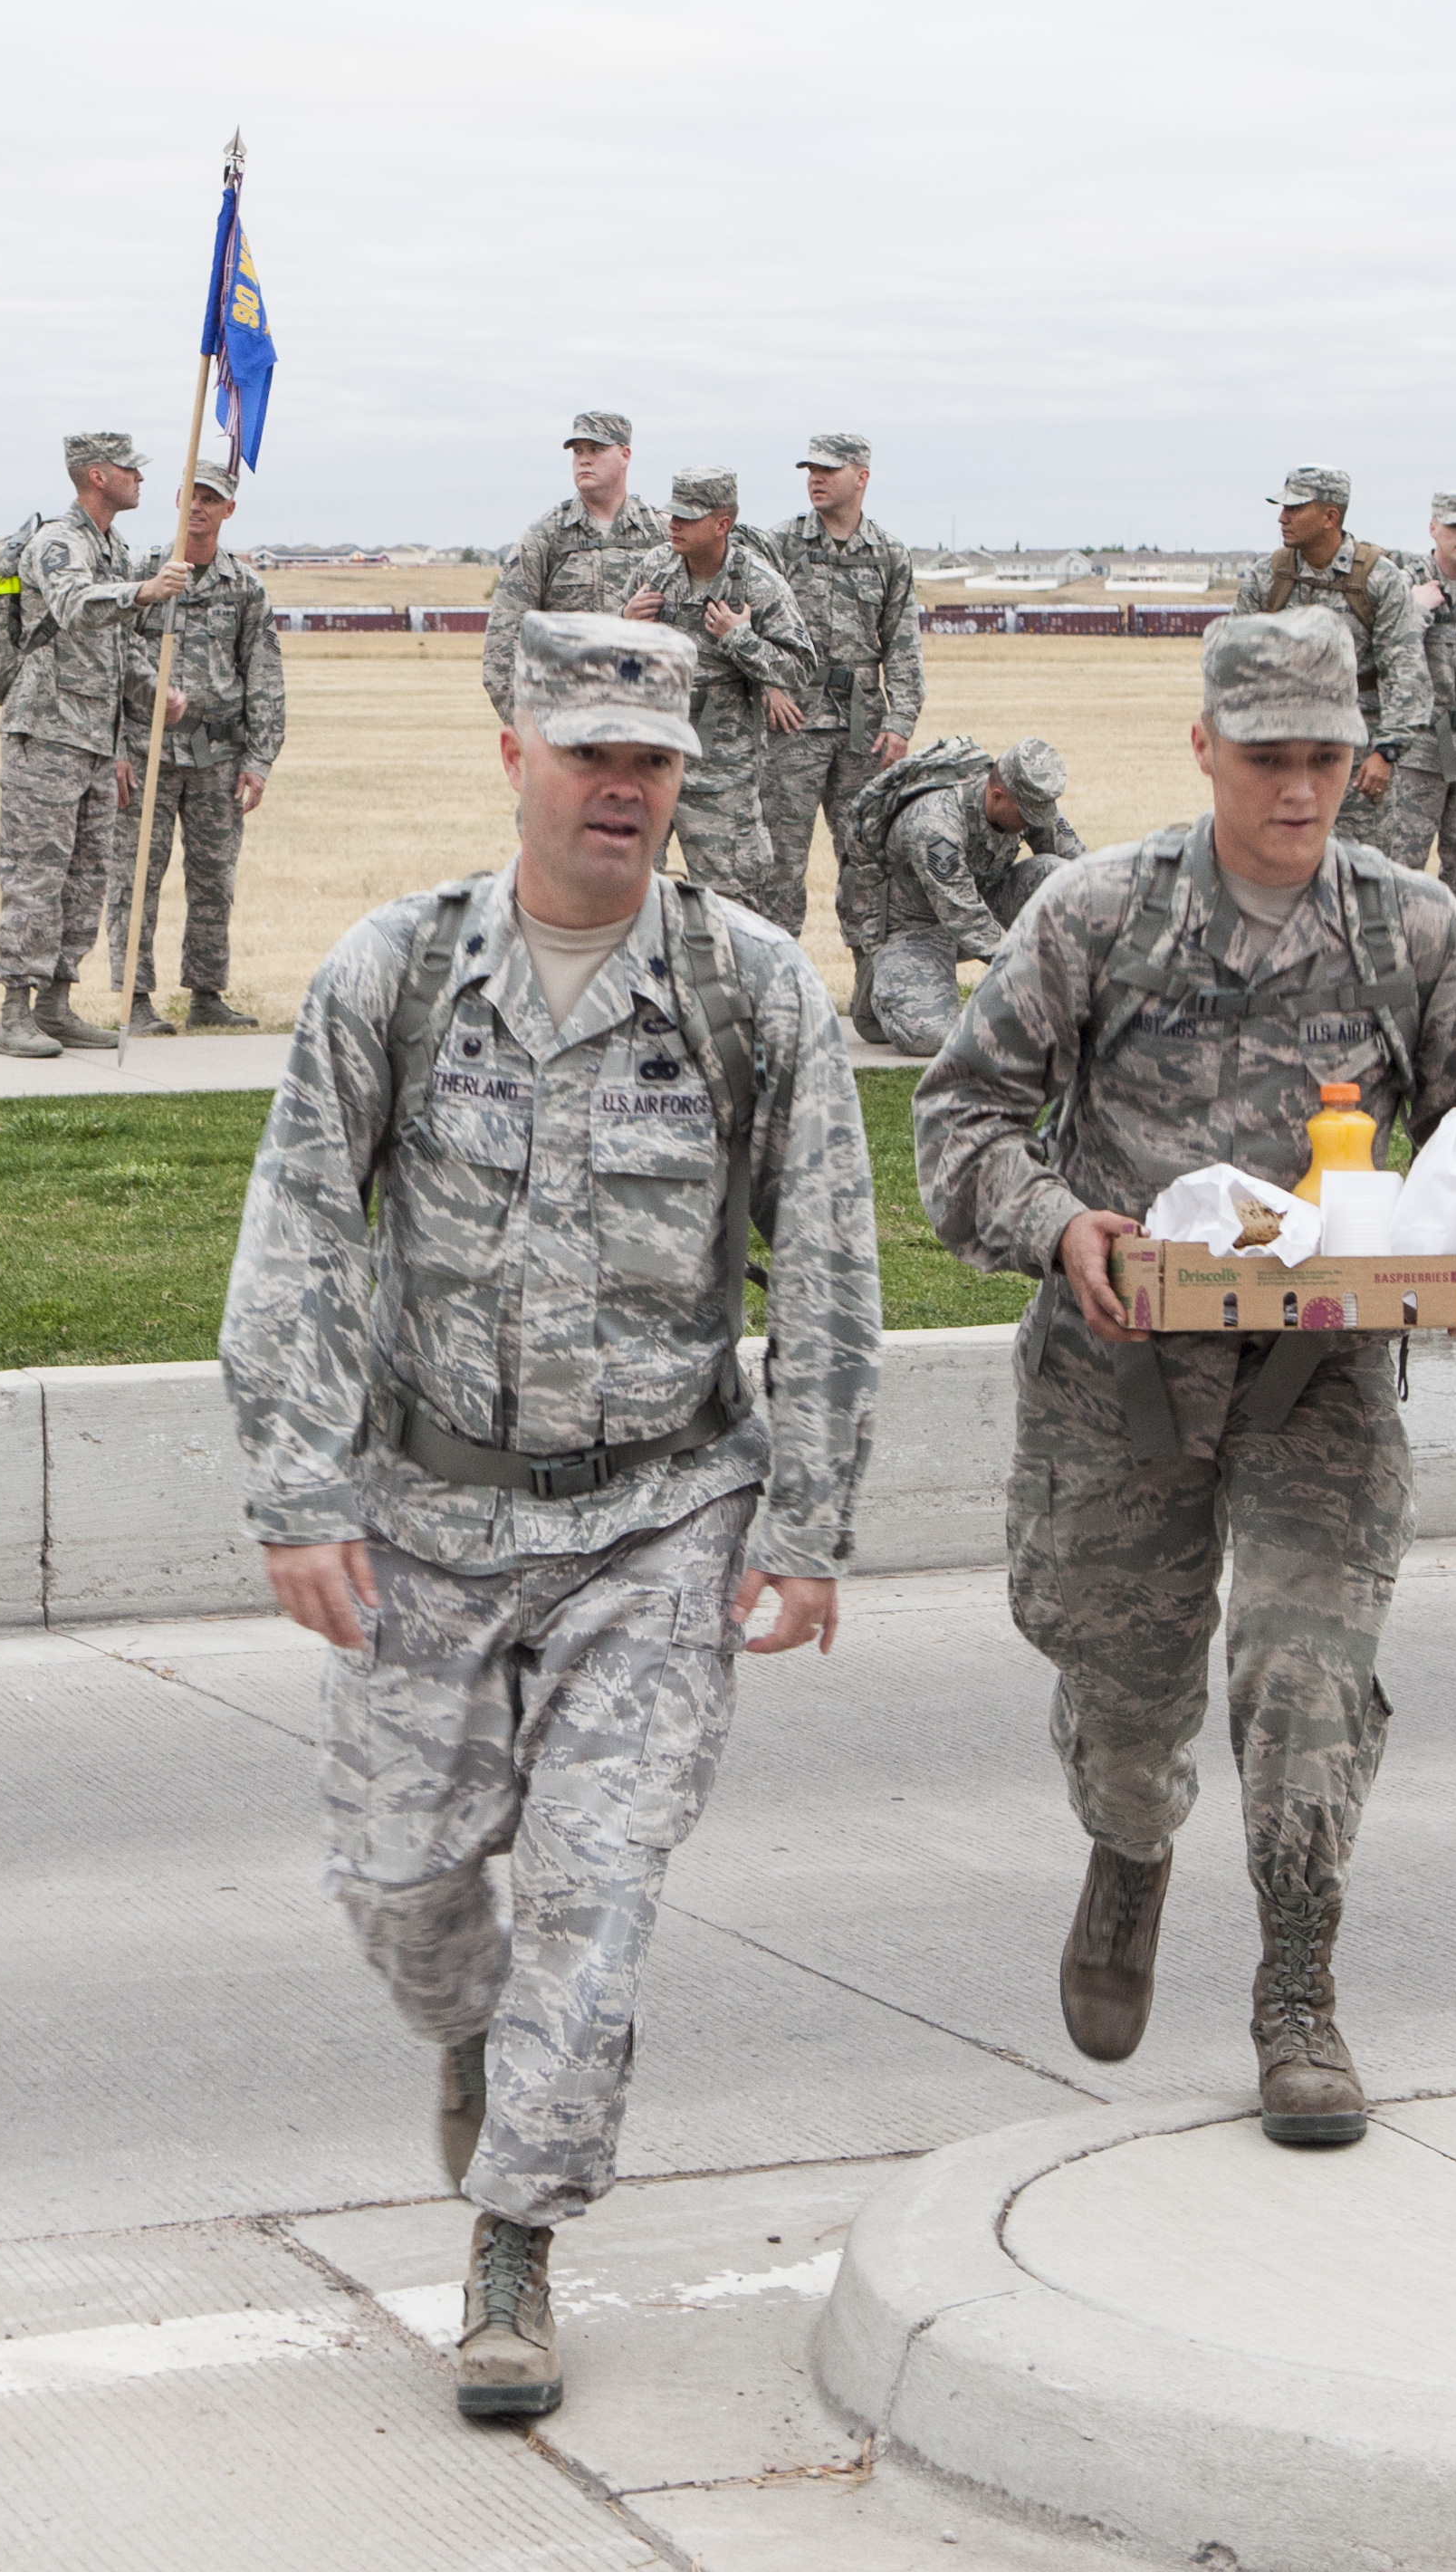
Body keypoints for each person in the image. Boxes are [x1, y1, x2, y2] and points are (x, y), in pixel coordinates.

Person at [220, 609, 883, 2423]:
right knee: (400, 1882)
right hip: (424, 1509)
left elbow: (825, 1264)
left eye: (652, 759)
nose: (620, 787)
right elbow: (295, 1232)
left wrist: (805, 1523)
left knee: (594, 1893)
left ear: (685, 776)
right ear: (512, 751)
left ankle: (514, 2238)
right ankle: (466, 2037)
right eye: (588, 750)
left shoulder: (747, 989)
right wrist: (296, 1486)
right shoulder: (398, 973)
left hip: (658, 1514)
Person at [911, 608, 1456, 2150]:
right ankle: (1128, 1852)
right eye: (1266, 757)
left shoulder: (1409, 932)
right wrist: (1062, 1229)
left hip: (1318, 1379)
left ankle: (1298, 1993)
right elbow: (961, 1127)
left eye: (1326, 760)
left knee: (1304, 1672)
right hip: (1118, 1378)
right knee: (1124, 1699)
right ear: (1204, 748)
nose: (1296, 790)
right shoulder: (1094, 916)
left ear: (1362, 765)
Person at [0, 431, 192, 1060]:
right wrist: (144, 591)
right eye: (131, 469)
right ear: (98, 475)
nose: (142, 478)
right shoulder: (59, 543)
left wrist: (157, 690)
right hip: (47, 733)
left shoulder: (114, 547)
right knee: (36, 876)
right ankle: (14, 1012)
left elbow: (116, 644)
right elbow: (76, 606)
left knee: (85, 880)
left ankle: (56, 1005)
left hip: (97, 740)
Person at [755, 435, 926, 1029]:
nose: (815, 478)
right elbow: (743, 620)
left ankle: (875, 996)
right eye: (810, 469)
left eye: (828, 469)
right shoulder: (779, 545)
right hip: (792, 723)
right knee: (780, 863)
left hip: (863, 730)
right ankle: (776, 997)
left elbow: (903, 646)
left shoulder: (889, 554)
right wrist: (769, 682)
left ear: (862, 477)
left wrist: (901, 721)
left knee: (867, 860)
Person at [111, 458, 284, 1035]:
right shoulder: (142, 575)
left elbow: (263, 678)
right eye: (193, 495)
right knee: (136, 877)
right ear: (178, 499)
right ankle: (134, 1001)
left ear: (229, 509)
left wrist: (259, 761)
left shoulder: (246, 588)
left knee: (214, 879)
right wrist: (114, 748)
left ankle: (207, 993)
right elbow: (108, 662)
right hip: (146, 753)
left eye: (213, 499)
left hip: (218, 758)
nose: (201, 508)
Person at [625, 470, 820, 927]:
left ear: (722, 524)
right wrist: (624, 620)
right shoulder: (654, 570)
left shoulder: (758, 585)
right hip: (648, 761)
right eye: (672, 514)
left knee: (729, 911)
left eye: (688, 518)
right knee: (628, 895)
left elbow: (801, 667)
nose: (674, 525)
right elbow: (608, 655)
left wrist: (740, 640)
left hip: (720, 775)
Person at [1230, 466, 1431, 846]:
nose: (1282, 517)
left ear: (1329, 517)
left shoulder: (1379, 580)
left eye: (1295, 508)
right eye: (1282, 507)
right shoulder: (1267, 578)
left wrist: (1387, 752)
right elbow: (1235, 667)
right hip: (1280, 747)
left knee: (1362, 873)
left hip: (1355, 753)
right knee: (1275, 867)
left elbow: (1406, 672)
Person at [860, 736, 1087, 1056]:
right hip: (916, 928)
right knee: (931, 1037)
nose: (1032, 822)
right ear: (997, 796)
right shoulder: (934, 824)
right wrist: (1033, 980)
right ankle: (880, 975)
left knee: (1058, 874)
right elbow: (965, 917)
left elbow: (1082, 869)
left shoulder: (1022, 799)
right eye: (1027, 815)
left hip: (984, 903)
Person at [480, 411, 670, 721]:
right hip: (568, 719)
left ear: (625, 455)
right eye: (578, 451)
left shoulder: (662, 535)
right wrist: (530, 730)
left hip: (644, 719)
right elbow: (503, 648)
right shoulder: (546, 537)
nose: (584, 460)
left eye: (596, 450)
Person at [1379, 494, 1456, 938]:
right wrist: (1415, 611)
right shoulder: (1404, 584)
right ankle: (1399, 975)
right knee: (1402, 866)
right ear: (1433, 528)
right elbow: (1385, 656)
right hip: (1420, 750)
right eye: (1455, 527)